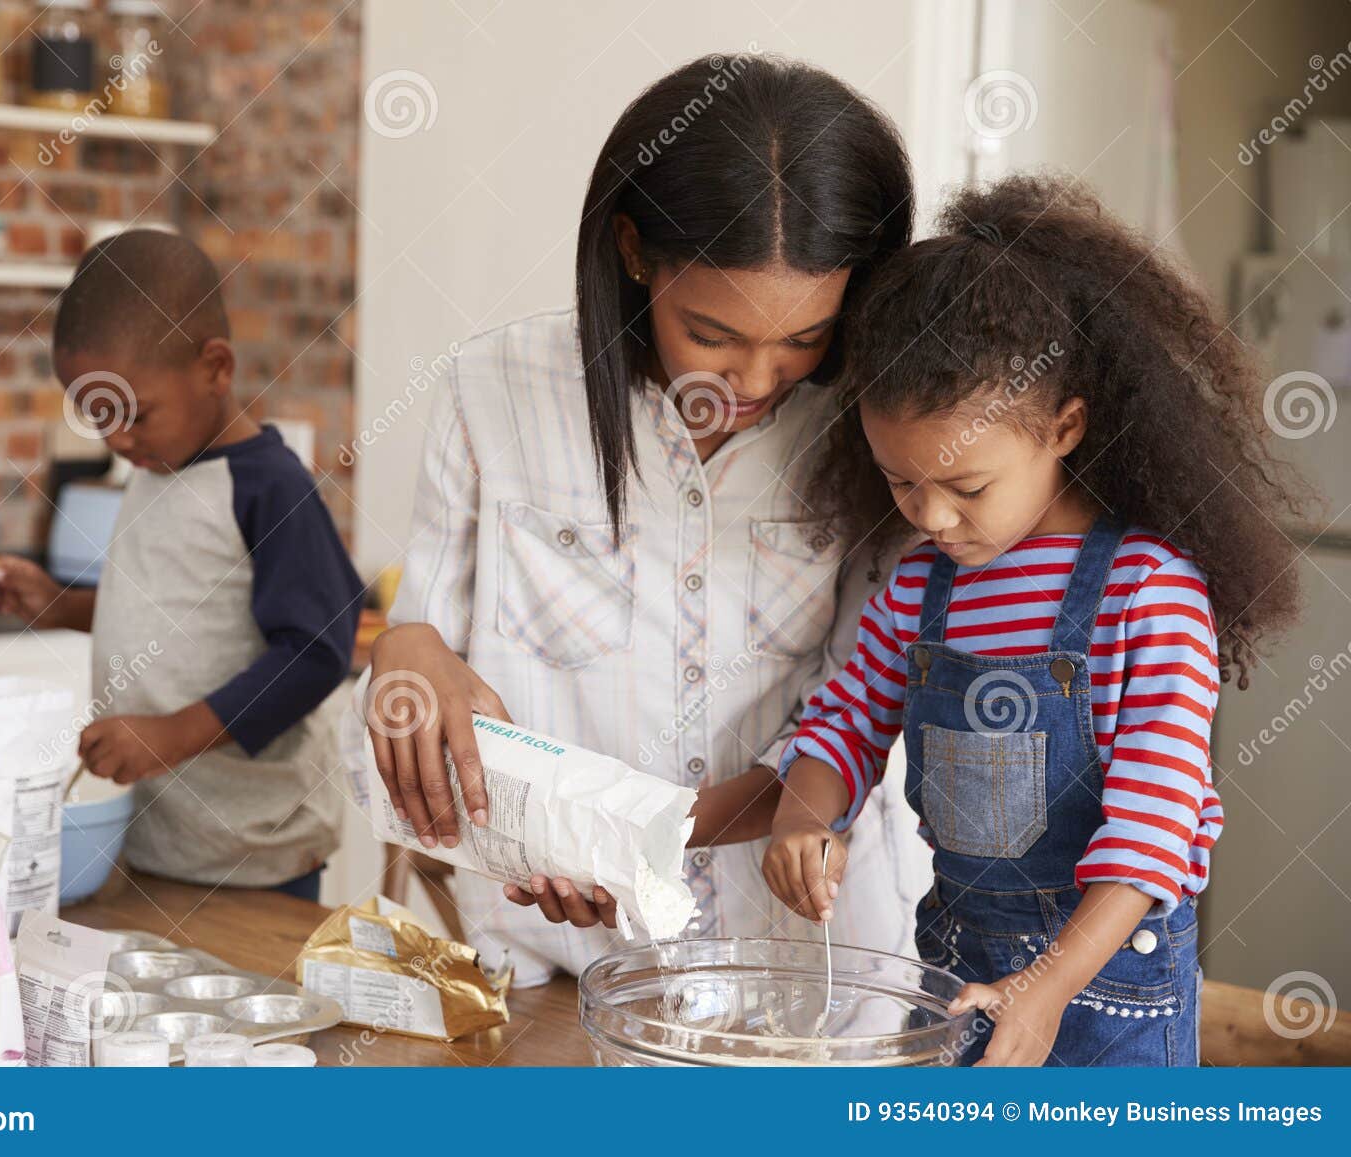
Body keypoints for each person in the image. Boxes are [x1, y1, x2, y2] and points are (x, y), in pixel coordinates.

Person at [347, 54, 930, 987]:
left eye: (804, 338)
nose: (753, 380)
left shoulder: (876, 423)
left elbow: (866, 706)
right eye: (712, 333)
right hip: (558, 964)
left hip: (805, 973)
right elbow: (427, 675)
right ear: (630, 249)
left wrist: (622, 836)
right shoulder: (493, 390)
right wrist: (405, 655)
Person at [765, 174, 1307, 1065]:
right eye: (903, 482)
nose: (932, 517)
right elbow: (843, 720)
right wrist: (801, 816)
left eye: (966, 486)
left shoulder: (1146, 592)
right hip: (954, 970)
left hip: (1107, 990)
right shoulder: (918, 590)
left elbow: (1155, 820)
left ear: (1064, 427)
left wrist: (1049, 984)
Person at [0, 230, 363, 901]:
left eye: (135, 415)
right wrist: (59, 604)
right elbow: (167, 606)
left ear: (216, 367)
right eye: (98, 419)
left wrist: (171, 736)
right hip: (157, 840)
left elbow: (316, 650)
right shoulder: (156, 468)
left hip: (256, 854)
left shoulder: (271, 488)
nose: (118, 441)